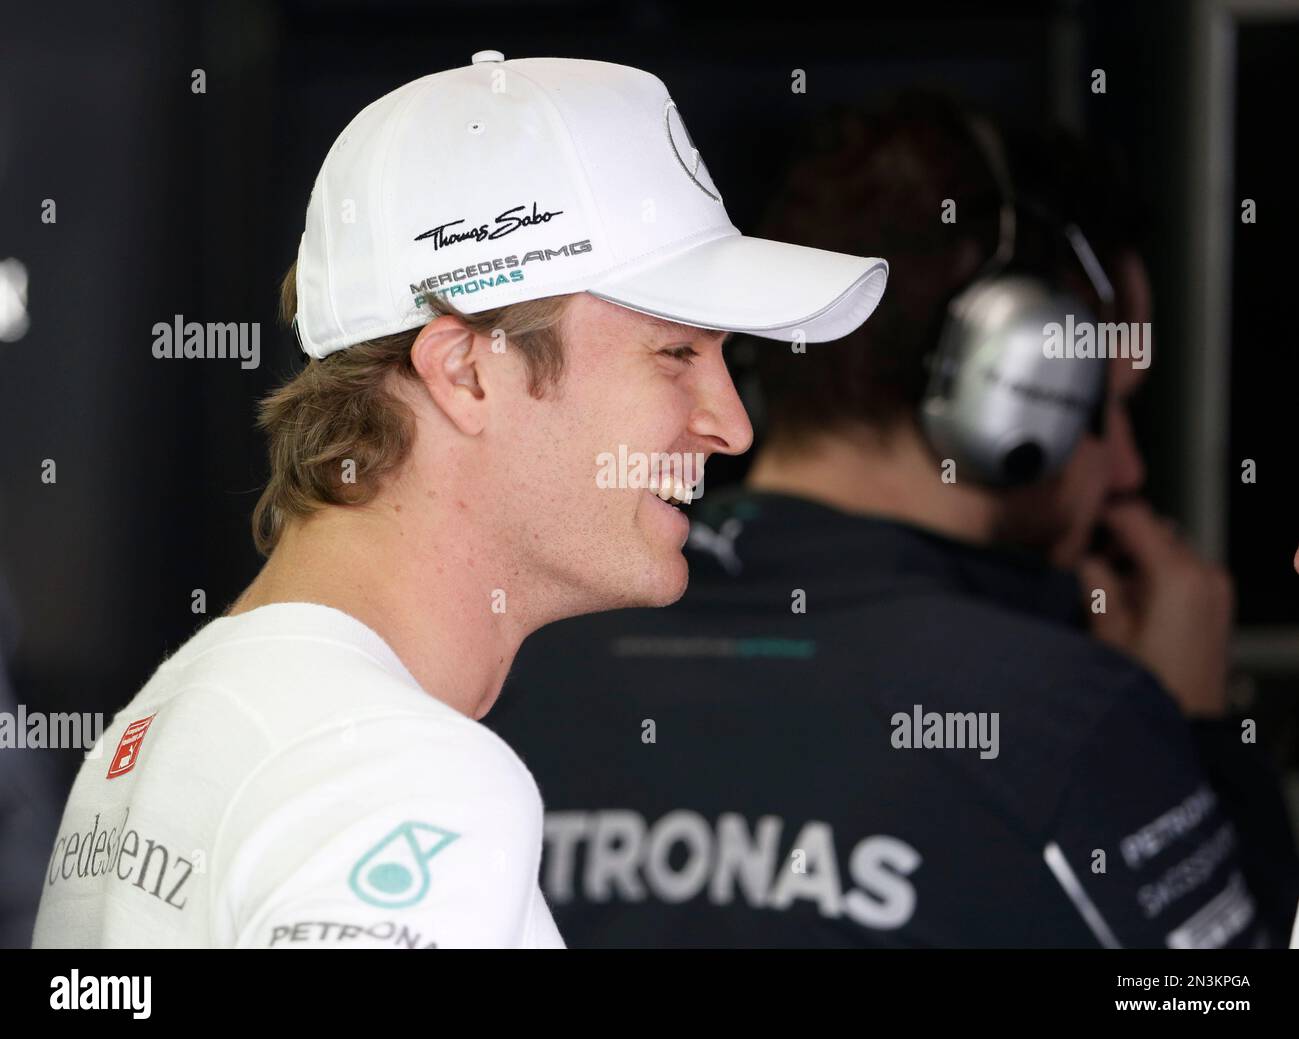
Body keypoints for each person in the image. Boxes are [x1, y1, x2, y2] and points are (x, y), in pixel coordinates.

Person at [29, 54, 887, 948]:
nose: (733, 426)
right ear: (468, 371)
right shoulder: (401, 775)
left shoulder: (167, 723)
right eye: (675, 354)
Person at [488, 93, 1299, 947]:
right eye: (1107, 404)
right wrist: (1195, 736)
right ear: (1014, 388)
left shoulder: (510, 659)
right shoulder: (1073, 723)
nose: (1127, 466)